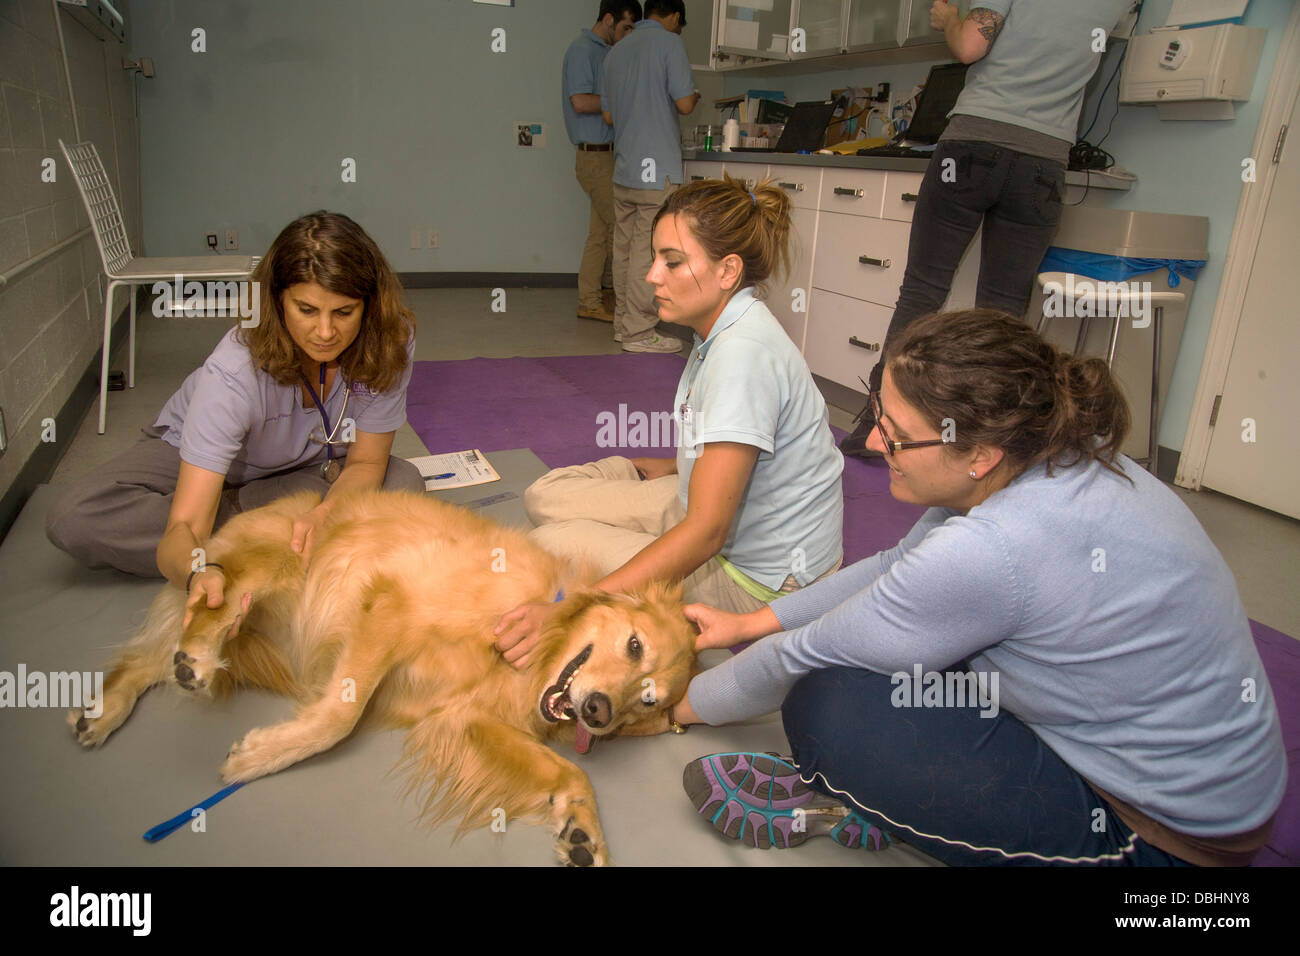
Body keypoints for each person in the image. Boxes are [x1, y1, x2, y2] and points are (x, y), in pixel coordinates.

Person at [673, 309, 1286, 867]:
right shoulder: (1049, 452)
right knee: (903, 655)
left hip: (1162, 843)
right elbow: (894, 565)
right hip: (1155, 760)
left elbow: (806, 654)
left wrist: (672, 706)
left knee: (825, 707)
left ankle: (876, 804)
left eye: (898, 434)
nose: (872, 441)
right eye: (878, 413)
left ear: (980, 455)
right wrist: (747, 624)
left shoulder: (996, 545)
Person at [494, 176, 844, 668]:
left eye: (672, 261)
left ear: (728, 271)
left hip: (758, 578)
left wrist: (570, 607)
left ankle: (640, 538)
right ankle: (640, 506)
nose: (651, 275)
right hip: (708, 502)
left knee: (547, 542)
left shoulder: (742, 355)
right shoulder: (725, 325)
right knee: (542, 496)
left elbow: (706, 533)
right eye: (656, 257)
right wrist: (678, 464)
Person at [46, 211, 425, 618]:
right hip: (188, 452)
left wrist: (330, 512)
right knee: (75, 517)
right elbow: (186, 526)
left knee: (404, 483)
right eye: (306, 310)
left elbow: (367, 461)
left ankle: (257, 523)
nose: (326, 332)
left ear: (369, 307)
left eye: (344, 312)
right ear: (277, 303)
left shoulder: (391, 342)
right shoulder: (233, 370)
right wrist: (197, 570)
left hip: (305, 464)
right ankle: (267, 523)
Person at [841, 0, 1131, 457]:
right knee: (1003, 312)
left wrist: (948, 21)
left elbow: (970, 45)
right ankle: (985, 442)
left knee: (922, 292)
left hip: (974, 144)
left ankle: (878, 428)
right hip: (1044, 162)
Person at [601, 0, 700, 354]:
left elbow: (609, 117)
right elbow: (686, 104)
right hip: (656, 169)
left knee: (624, 249)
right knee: (649, 253)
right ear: (674, 16)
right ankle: (640, 331)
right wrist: (694, 94)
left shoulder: (616, 51)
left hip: (625, 167)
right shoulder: (670, 44)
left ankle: (623, 325)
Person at [563, 1, 643, 325]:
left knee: (600, 233)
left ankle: (593, 300)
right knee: (621, 228)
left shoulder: (607, 53)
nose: (626, 37)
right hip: (594, 156)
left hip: (607, 154)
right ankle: (612, 300)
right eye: (624, 28)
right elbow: (580, 102)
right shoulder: (583, 51)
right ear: (608, 19)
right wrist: (620, 101)